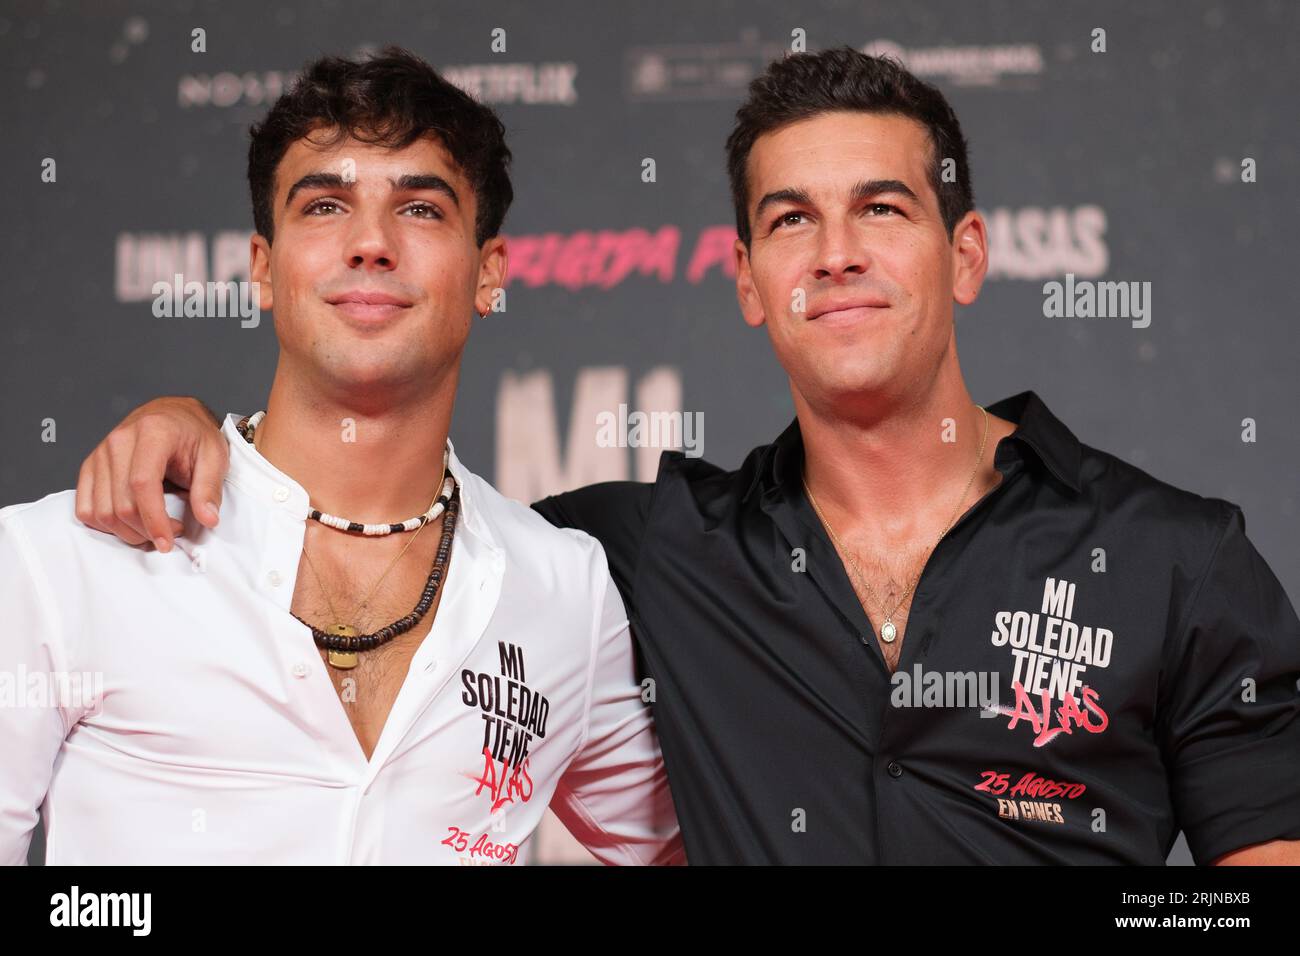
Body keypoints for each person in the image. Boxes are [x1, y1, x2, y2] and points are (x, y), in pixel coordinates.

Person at [70, 48, 1300, 864]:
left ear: (965, 252)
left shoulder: (1172, 556)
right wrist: (185, 422)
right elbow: (377, 495)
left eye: (881, 208)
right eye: (788, 221)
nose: (835, 255)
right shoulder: (632, 557)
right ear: (747, 283)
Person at [0, 48, 682, 866]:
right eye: (324, 206)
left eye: (422, 210)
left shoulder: (568, 591)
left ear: (489, 274)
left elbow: (688, 846)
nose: (370, 243)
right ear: (262, 268)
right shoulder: (60, 560)